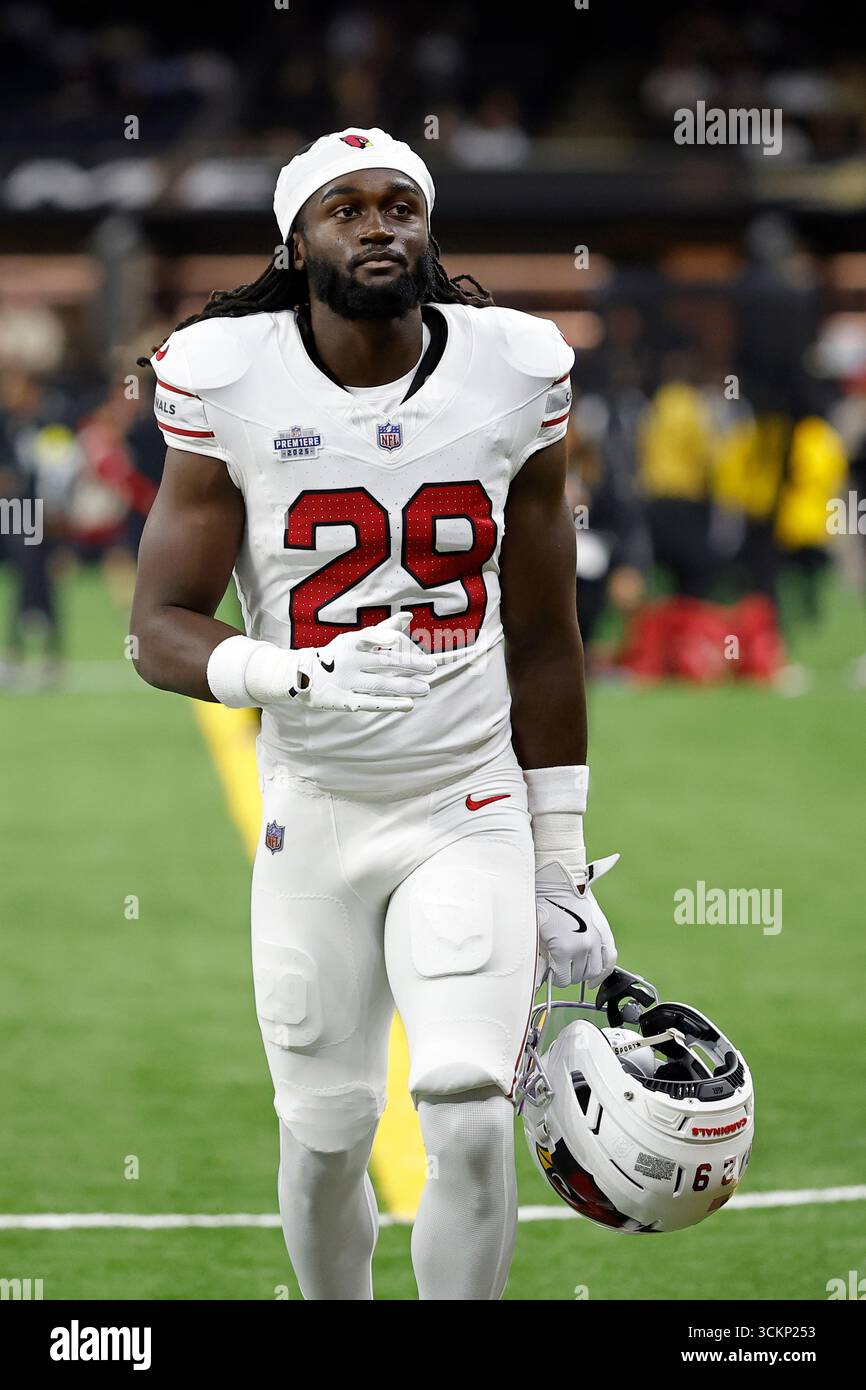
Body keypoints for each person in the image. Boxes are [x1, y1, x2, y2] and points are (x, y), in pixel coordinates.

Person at [130, 127, 619, 1301]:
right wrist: (286, 672)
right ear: (296, 243)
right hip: (317, 808)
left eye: (399, 203)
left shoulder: (513, 368)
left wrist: (560, 862)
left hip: (467, 803)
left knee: (462, 1113)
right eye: (344, 208)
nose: (377, 224)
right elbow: (156, 626)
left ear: (428, 228)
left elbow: (547, 639)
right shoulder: (225, 375)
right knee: (326, 1134)